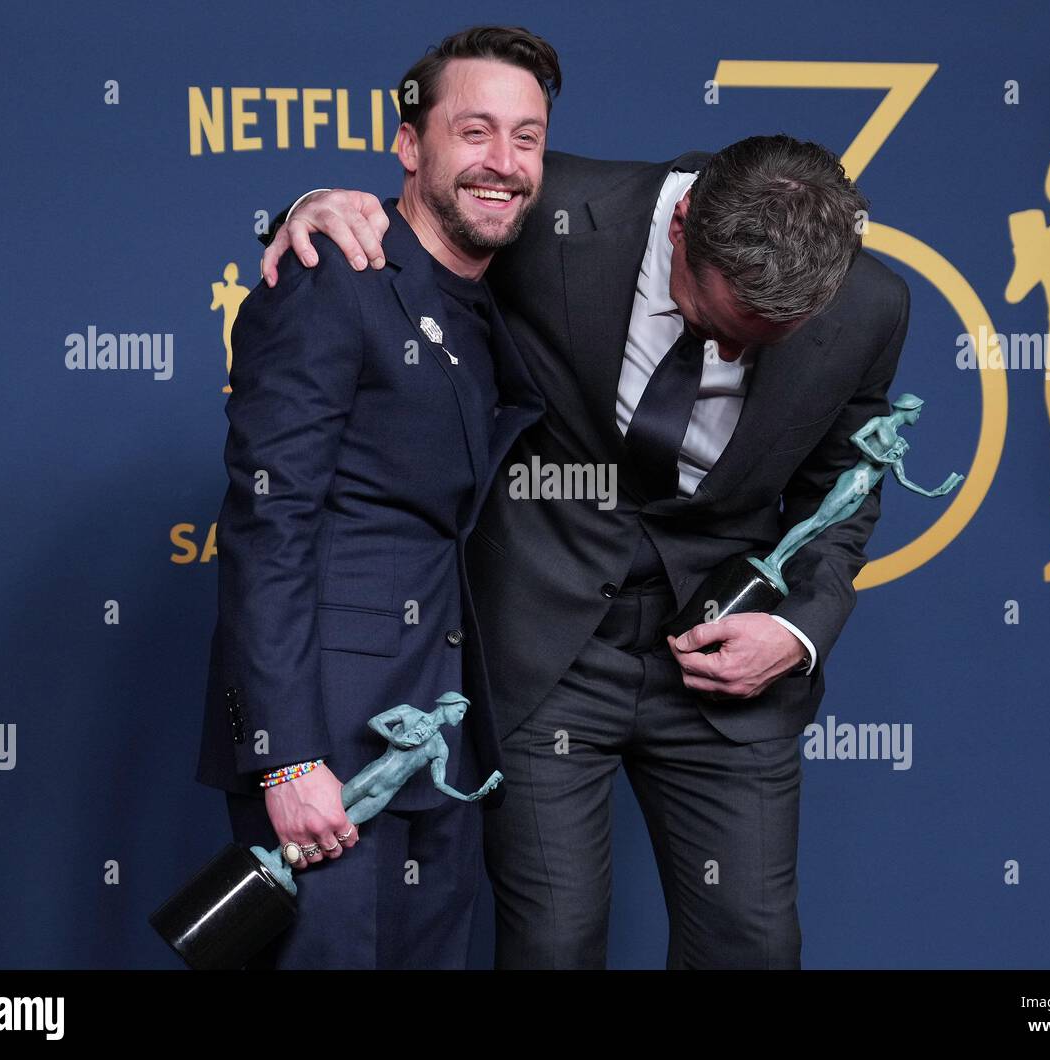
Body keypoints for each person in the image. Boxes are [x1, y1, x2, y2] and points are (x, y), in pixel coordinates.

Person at [261, 129, 910, 968]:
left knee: (753, 943)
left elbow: (842, 495)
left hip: (726, 656)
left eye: (767, 340)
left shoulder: (870, 305)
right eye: (716, 324)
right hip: (546, 645)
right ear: (681, 227)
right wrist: (313, 207)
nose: (735, 356)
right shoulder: (553, 208)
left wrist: (796, 631)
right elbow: (410, 233)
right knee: (553, 944)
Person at [194, 25, 555, 969]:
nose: (503, 162)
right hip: (329, 741)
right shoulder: (331, 278)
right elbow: (267, 525)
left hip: (445, 746)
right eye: (473, 130)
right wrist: (286, 756)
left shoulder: (494, 299)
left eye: (528, 138)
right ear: (407, 144)